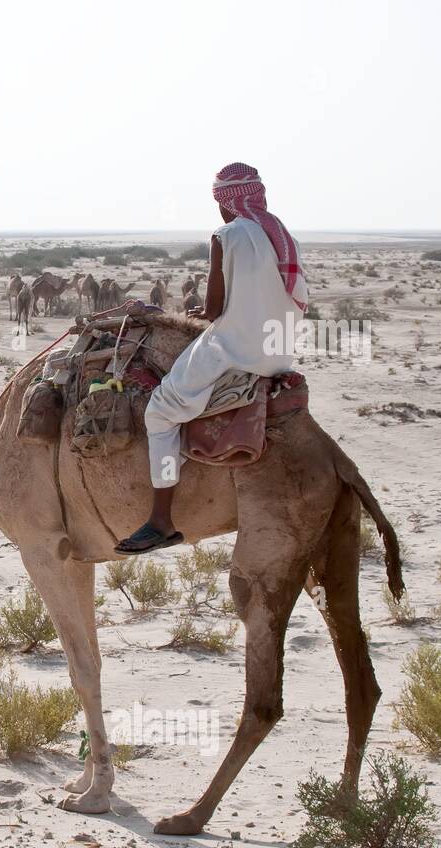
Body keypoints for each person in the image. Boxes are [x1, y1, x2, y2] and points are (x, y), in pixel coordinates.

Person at [114, 162, 309, 554]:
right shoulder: (282, 234)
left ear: (226, 202)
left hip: (237, 349)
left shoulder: (226, 234)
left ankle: (161, 521)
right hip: (280, 350)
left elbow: (217, 309)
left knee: (160, 412)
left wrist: (210, 311)